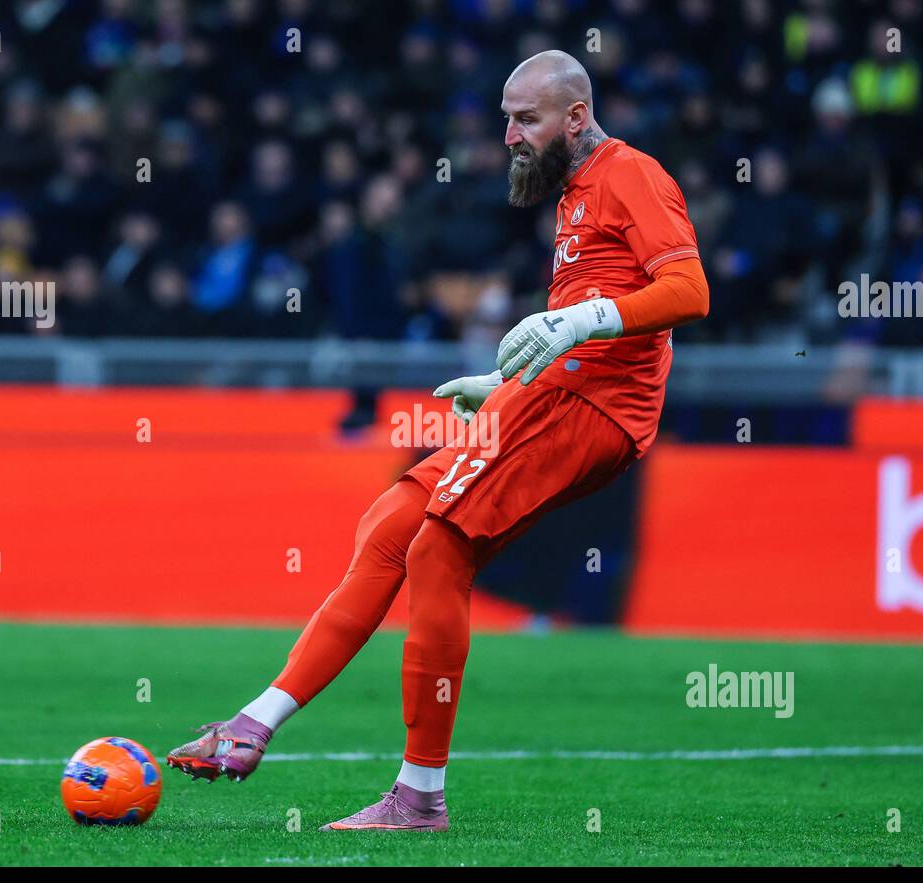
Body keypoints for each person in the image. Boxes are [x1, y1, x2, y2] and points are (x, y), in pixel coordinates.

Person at [168, 50, 709, 831]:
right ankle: (254, 723)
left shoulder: (632, 174)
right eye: (505, 117)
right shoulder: (575, 196)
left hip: (594, 412)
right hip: (552, 395)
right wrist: (509, 385)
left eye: (526, 119)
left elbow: (690, 291)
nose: (509, 135)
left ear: (577, 118)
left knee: (437, 551)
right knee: (390, 525)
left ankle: (418, 797)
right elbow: (602, 308)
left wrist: (575, 325)